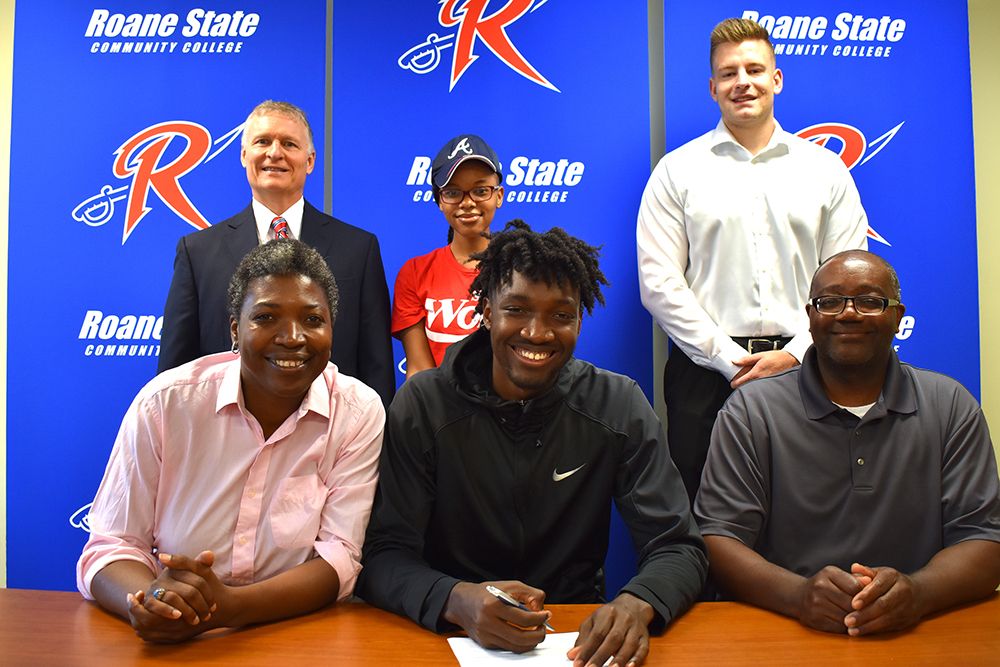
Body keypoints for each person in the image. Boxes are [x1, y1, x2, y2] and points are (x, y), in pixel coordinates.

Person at [358, 220, 707, 667]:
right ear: (485, 311)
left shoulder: (618, 404)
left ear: (580, 319)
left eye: (561, 315)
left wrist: (637, 603)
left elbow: (678, 546)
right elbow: (384, 553)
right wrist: (454, 599)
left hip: (575, 642)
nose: (538, 333)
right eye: (517, 309)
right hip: (447, 638)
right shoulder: (423, 404)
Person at [78, 239, 386, 643]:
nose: (292, 337)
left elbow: (339, 558)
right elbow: (111, 546)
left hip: (298, 634)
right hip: (177, 643)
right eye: (266, 317)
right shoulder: (165, 404)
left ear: (331, 329)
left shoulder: (358, 411)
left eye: (312, 320)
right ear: (235, 330)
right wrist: (153, 602)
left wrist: (225, 609)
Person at [694, 250, 1000, 636]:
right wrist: (799, 595)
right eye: (831, 301)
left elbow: (985, 541)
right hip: (783, 632)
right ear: (810, 317)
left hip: (918, 634)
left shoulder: (950, 404)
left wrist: (919, 593)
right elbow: (717, 540)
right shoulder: (751, 410)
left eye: (870, 302)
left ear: (897, 316)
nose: (849, 313)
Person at [636, 18, 869, 504]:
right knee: (704, 515)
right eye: (728, 73)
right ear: (713, 87)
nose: (742, 81)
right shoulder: (677, 170)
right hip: (704, 375)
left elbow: (848, 277)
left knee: (812, 505)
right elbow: (659, 283)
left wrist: (796, 353)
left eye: (755, 69)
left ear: (776, 79)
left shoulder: (825, 170)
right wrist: (727, 358)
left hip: (810, 366)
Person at [158, 100, 395, 406]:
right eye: (263, 141)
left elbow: (376, 368)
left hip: (332, 437)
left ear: (310, 161)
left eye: (289, 143)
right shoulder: (197, 252)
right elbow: (175, 374)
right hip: (224, 436)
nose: (274, 153)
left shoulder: (359, 249)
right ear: (244, 155)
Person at [392, 134, 503, 378]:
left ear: (499, 196)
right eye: (453, 192)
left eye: (481, 190)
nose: (468, 202)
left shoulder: (520, 271)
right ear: (439, 200)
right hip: (441, 413)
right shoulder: (415, 273)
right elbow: (419, 372)